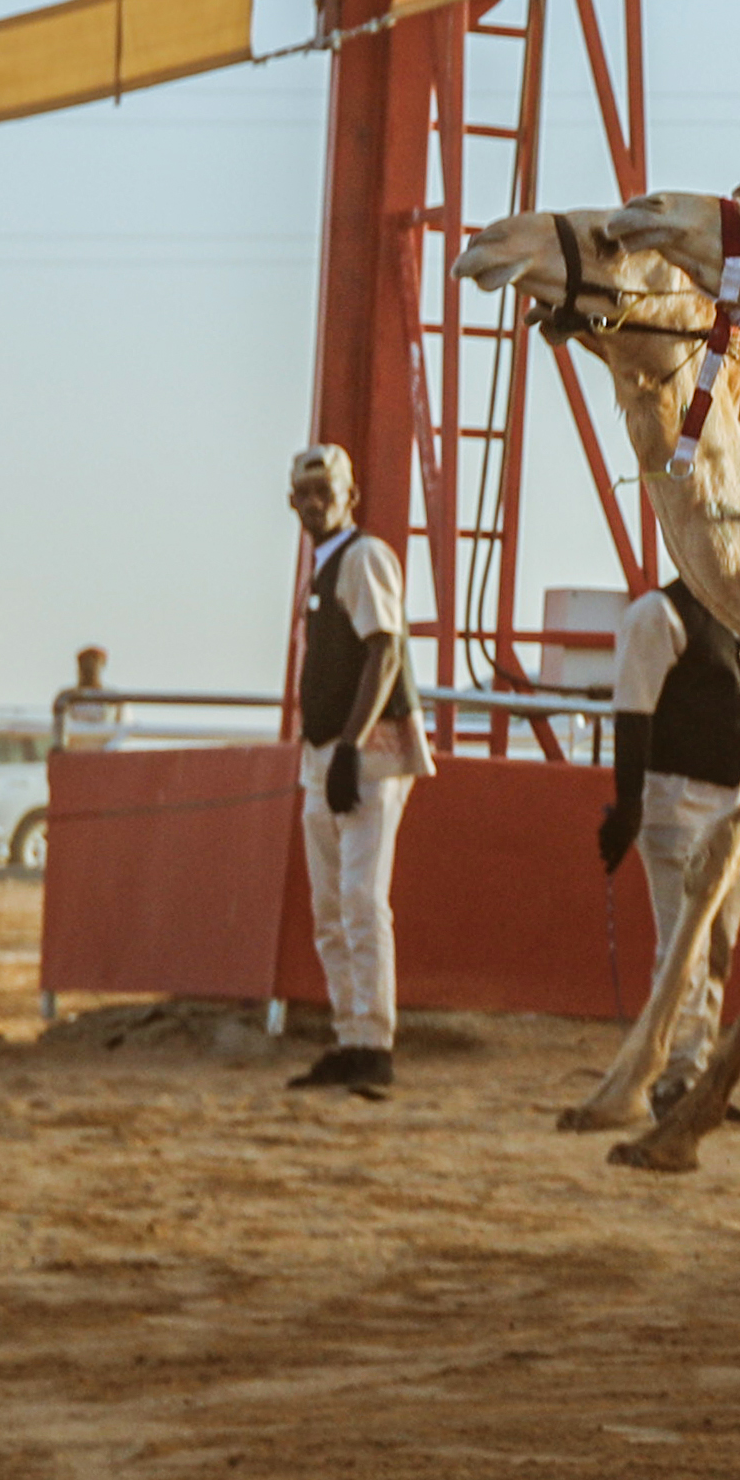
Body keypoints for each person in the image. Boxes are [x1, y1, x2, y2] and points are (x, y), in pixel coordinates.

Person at [597, 574, 740, 1120]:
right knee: (682, 947)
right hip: (677, 799)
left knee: (717, 945)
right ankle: (671, 1076)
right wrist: (628, 806)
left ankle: (692, 1071)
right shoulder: (658, 614)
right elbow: (632, 711)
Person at [285, 445, 425, 1096]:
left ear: (350, 495)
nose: (315, 501)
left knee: (362, 898)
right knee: (329, 906)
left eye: (325, 489)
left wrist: (350, 746)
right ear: (294, 502)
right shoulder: (321, 570)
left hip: (365, 753)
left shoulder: (363, 558)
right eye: (305, 491)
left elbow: (385, 651)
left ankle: (374, 1041)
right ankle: (350, 1034)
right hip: (325, 754)